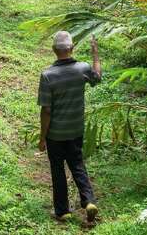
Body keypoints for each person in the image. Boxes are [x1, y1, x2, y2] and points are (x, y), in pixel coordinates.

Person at [38, 30, 102, 222]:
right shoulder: (82, 68)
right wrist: (95, 54)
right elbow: (97, 77)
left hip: (56, 134)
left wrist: (42, 137)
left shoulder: (47, 76)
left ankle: (63, 211)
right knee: (77, 163)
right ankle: (89, 200)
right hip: (75, 130)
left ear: (53, 50)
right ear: (72, 48)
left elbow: (46, 110)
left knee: (57, 169)